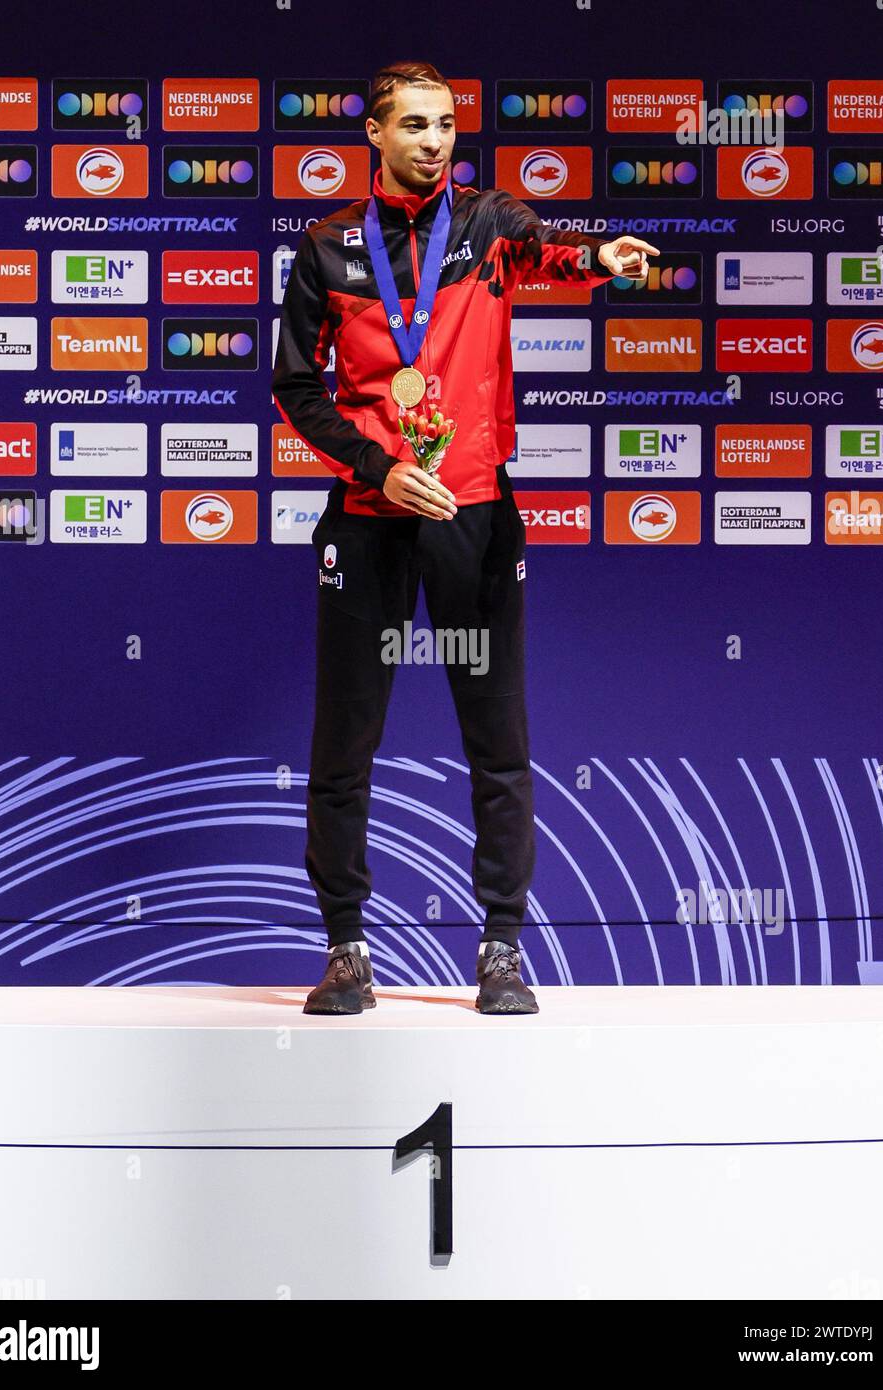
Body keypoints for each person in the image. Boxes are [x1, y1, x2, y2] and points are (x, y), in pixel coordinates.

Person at [271, 60, 658, 1016]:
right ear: (373, 134)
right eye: (414, 125)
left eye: (445, 124)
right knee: (343, 747)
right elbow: (297, 387)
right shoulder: (327, 248)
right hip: (369, 519)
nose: (434, 141)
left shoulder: (488, 224)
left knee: (497, 742)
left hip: (474, 515)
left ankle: (501, 949)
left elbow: (553, 254)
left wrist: (602, 257)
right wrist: (375, 466)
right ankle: (346, 949)